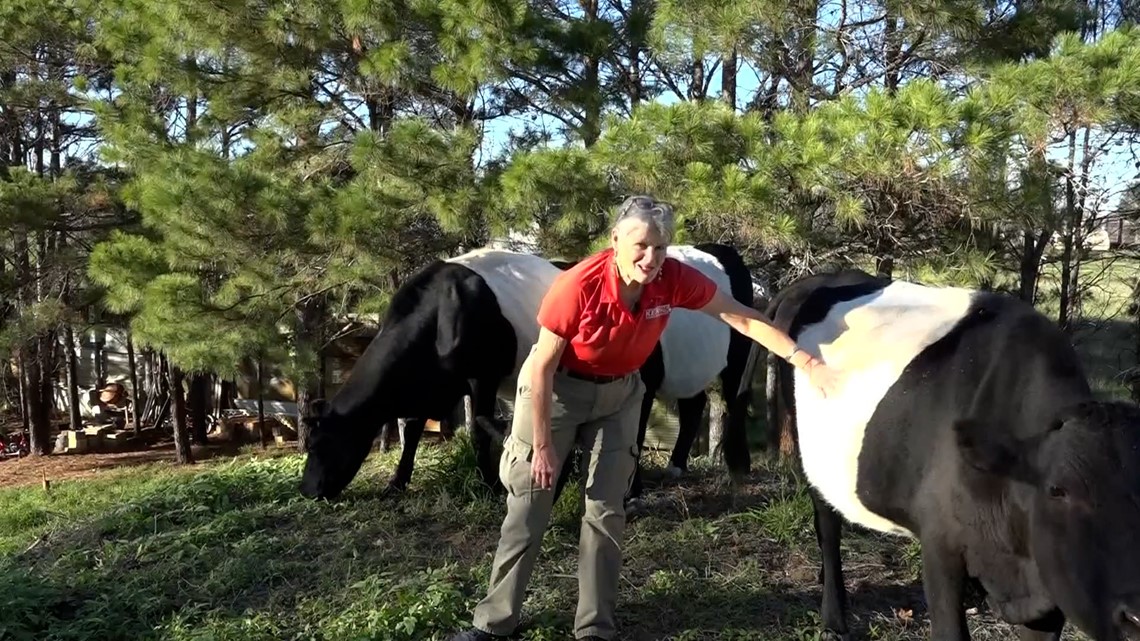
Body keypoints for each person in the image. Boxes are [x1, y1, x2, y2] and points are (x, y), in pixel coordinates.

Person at [449, 195, 842, 641]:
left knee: (605, 509)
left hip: (620, 395)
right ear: (615, 240)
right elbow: (540, 366)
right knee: (530, 506)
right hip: (557, 392)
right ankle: (495, 622)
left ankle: (595, 626)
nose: (651, 258)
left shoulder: (671, 278)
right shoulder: (578, 286)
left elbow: (744, 320)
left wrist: (807, 363)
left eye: (660, 247)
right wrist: (541, 447)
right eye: (640, 245)